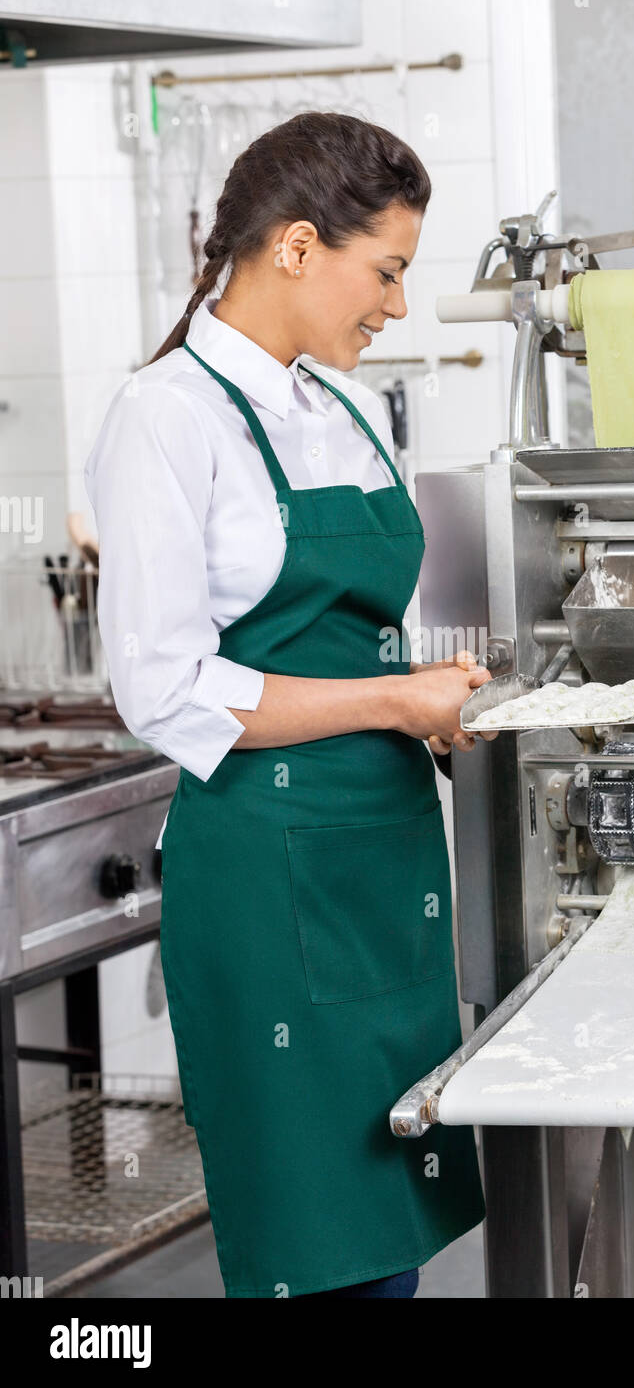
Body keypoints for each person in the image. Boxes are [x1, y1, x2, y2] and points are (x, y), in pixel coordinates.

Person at [84, 111, 496, 1299]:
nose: (397, 306)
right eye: (389, 271)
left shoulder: (345, 409)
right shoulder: (166, 414)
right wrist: (388, 698)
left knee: (391, 1246)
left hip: (378, 873)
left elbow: (369, 633)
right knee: (317, 1259)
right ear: (298, 248)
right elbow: (161, 686)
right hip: (268, 881)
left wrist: (439, 698)